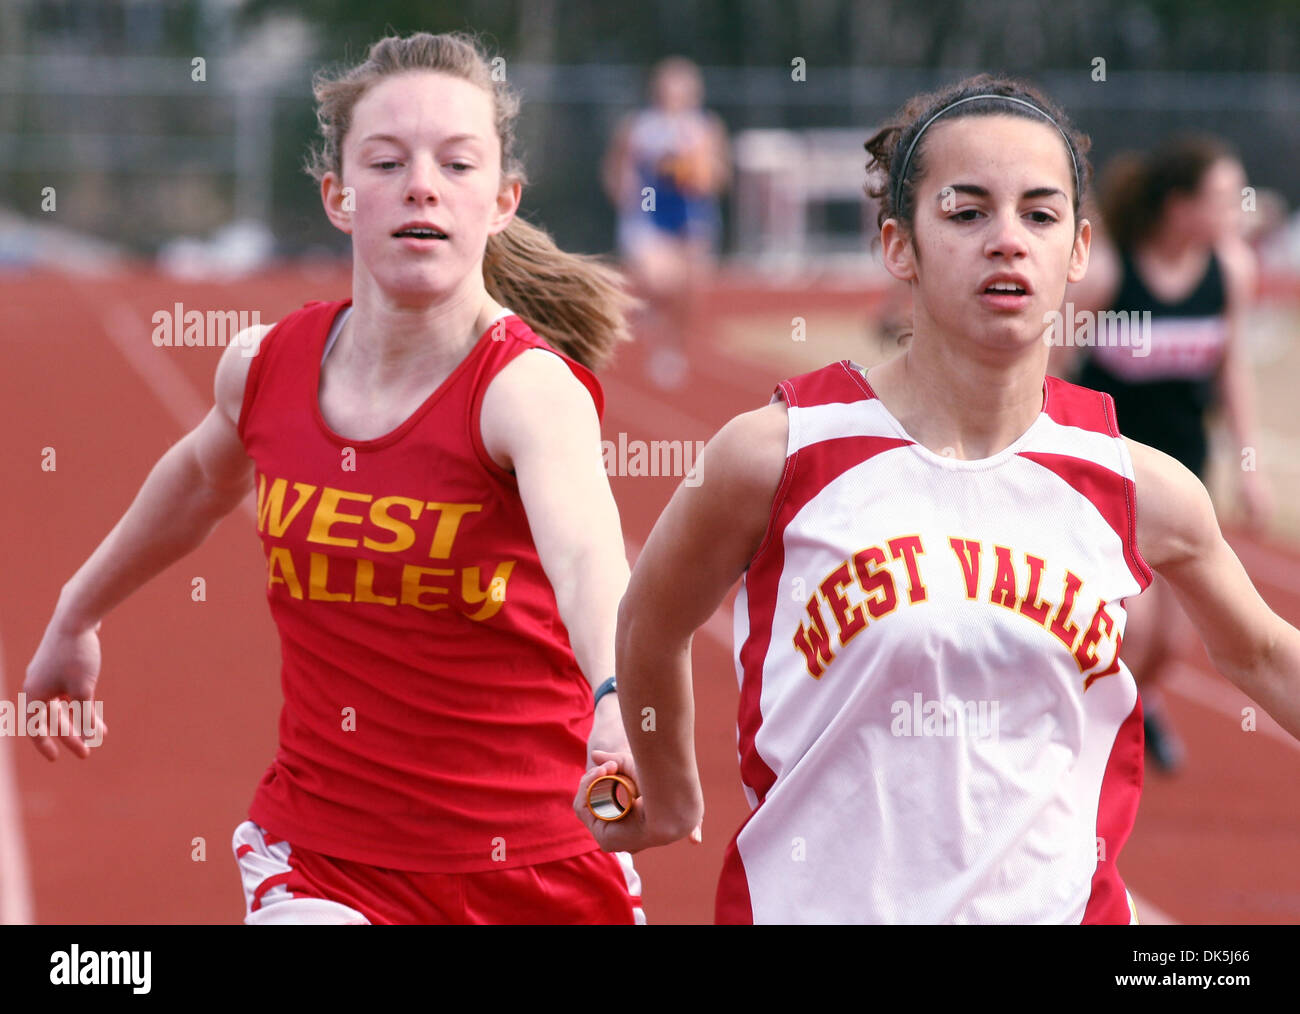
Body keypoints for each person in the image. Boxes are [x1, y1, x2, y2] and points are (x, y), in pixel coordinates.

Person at [574, 75, 1300, 924]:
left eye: (1039, 214)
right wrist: (667, 792)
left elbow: (1262, 654)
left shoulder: (1143, 486)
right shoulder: (777, 453)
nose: (1007, 241)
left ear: (1077, 250)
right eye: (965, 213)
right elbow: (650, 621)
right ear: (898, 246)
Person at [25, 30, 644, 925]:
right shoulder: (267, 367)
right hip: (326, 861)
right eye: (386, 162)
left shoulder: (525, 391)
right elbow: (198, 483)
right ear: (339, 197)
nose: (421, 184)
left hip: (537, 865)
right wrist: (73, 615)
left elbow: (589, 558)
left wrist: (617, 695)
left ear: (503, 200)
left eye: (457, 164)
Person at [1060, 136, 1272, 773]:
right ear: (1179, 206)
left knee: (1169, 645)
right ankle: (1081, 739)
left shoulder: (1229, 269)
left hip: (1184, 472)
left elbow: (1232, 368)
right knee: (1136, 626)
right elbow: (1052, 368)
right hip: (1107, 469)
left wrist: (1249, 465)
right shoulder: (1107, 273)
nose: (1238, 209)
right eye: (1221, 198)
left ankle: (1139, 703)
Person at [602, 56, 730, 390]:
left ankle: (673, 346)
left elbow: (719, 175)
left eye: (683, 87)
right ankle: (653, 318)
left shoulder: (704, 127)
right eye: (670, 86)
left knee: (690, 288)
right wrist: (625, 190)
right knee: (657, 281)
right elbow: (617, 168)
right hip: (649, 216)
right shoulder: (639, 126)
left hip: (691, 216)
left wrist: (698, 171)